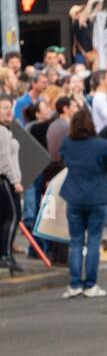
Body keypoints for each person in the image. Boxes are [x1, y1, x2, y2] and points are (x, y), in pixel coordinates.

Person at [58, 108, 107, 297]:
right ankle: (90, 285)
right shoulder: (101, 144)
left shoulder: (67, 143)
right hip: (98, 197)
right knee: (94, 242)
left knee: (76, 242)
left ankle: (74, 284)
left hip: (74, 196)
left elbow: (61, 157)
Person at [0, 95, 23, 274]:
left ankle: (6, 254)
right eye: (4, 107)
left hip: (6, 179)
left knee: (6, 218)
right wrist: (15, 182)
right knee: (14, 216)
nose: (9, 111)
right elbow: (5, 159)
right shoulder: (2, 132)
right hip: (5, 180)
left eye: (10, 107)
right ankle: (6, 255)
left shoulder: (5, 131)